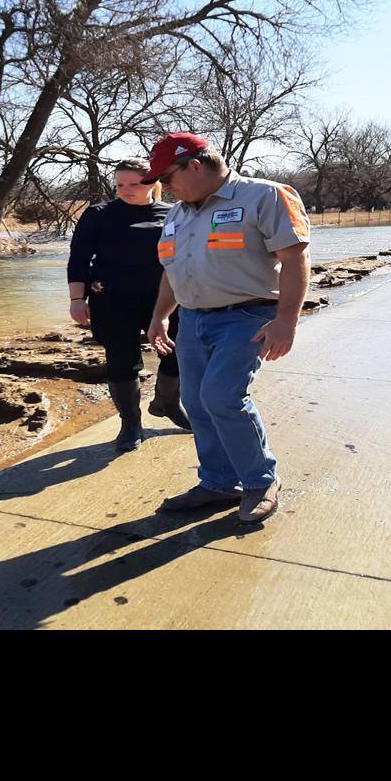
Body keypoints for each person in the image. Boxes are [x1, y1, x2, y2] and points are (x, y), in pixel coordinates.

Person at [142, 133, 311, 523]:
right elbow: (172, 271)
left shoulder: (265, 196)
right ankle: (219, 483)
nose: (163, 187)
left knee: (222, 397)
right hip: (194, 319)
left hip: (246, 317)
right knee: (198, 403)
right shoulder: (178, 213)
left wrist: (286, 320)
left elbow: (295, 258)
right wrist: (160, 316)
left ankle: (260, 480)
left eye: (166, 177)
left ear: (195, 165)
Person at [67, 158, 190, 451]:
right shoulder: (98, 214)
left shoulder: (175, 213)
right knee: (122, 362)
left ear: (153, 183)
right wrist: (76, 299)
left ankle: (167, 402)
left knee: (178, 353)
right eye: (120, 184)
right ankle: (131, 423)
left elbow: (188, 257)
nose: (125, 190)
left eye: (134, 184)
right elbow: (79, 259)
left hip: (166, 298)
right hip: (111, 298)